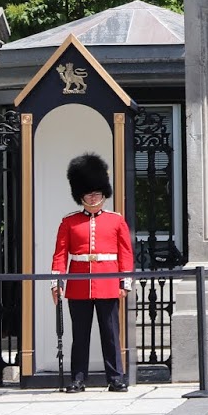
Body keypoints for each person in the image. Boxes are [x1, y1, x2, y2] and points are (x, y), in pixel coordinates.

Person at [51, 154, 132, 393]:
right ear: (81, 195)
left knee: (110, 334)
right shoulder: (69, 222)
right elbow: (60, 254)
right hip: (78, 285)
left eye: (97, 192)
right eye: (88, 193)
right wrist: (57, 283)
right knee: (80, 336)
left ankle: (115, 377)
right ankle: (78, 378)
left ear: (103, 193)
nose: (93, 197)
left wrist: (124, 282)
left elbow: (125, 254)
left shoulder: (116, 221)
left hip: (107, 283)